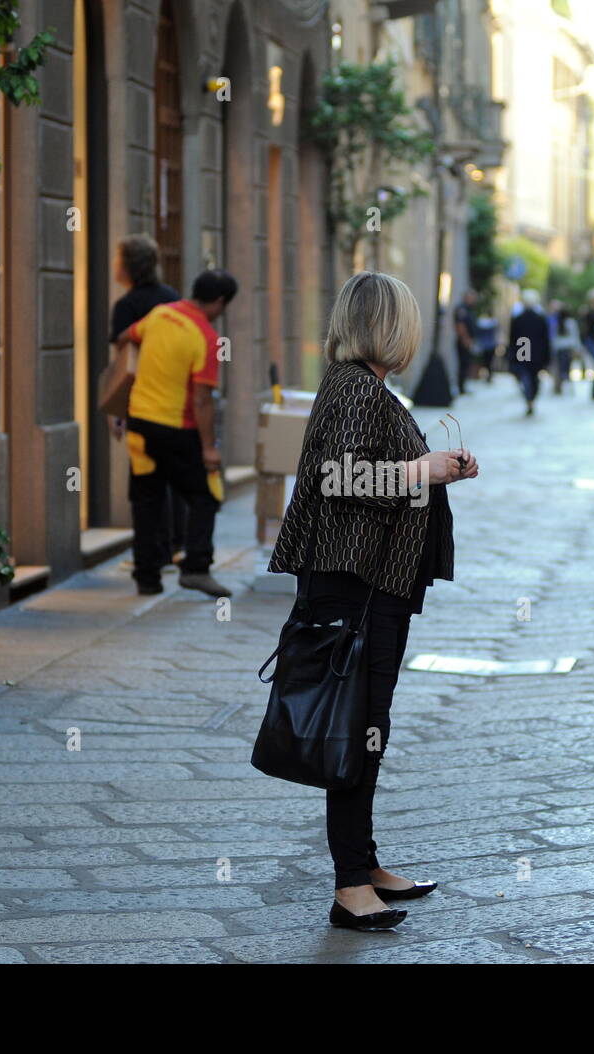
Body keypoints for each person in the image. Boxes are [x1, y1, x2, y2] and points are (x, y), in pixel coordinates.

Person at [268, 271, 479, 932]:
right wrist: (426, 469)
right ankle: (350, 885)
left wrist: (435, 465)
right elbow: (341, 475)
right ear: (387, 328)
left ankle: (364, 864)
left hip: (371, 583)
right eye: (408, 324)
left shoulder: (360, 384)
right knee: (356, 726)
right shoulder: (358, 386)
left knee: (367, 727)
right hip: (354, 586)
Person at [117, 269, 238, 598]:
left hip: (140, 424)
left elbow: (127, 338)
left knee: (147, 499)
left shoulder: (158, 315)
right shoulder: (206, 338)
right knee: (206, 493)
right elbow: (201, 400)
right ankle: (196, 568)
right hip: (176, 428)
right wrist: (209, 448)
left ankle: (147, 577)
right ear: (218, 302)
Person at [109, 235, 185, 561]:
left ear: (128, 266)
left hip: (142, 404)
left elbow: (124, 367)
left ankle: (150, 554)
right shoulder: (172, 299)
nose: (114, 264)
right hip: (176, 402)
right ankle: (174, 546)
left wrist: (117, 411)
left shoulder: (126, 307)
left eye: (117, 258)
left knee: (143, 485)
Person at [508, 289, 550, 416]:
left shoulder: (518, 319)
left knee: (526, 377)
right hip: (536, 353)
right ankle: (530, 399)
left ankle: (529, 399)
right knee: (533, 377)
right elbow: (545, 339)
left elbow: (513, 339)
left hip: (523, 351)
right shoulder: (540, 318)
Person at [454, 289, 479, 395]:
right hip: (464, 340)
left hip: (469, 340)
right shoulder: (462, 309)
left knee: (466, 364)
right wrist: (465, 339)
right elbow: (460, 325)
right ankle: (461, 387)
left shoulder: (469, 309)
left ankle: (463, 386)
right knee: (463, 364)